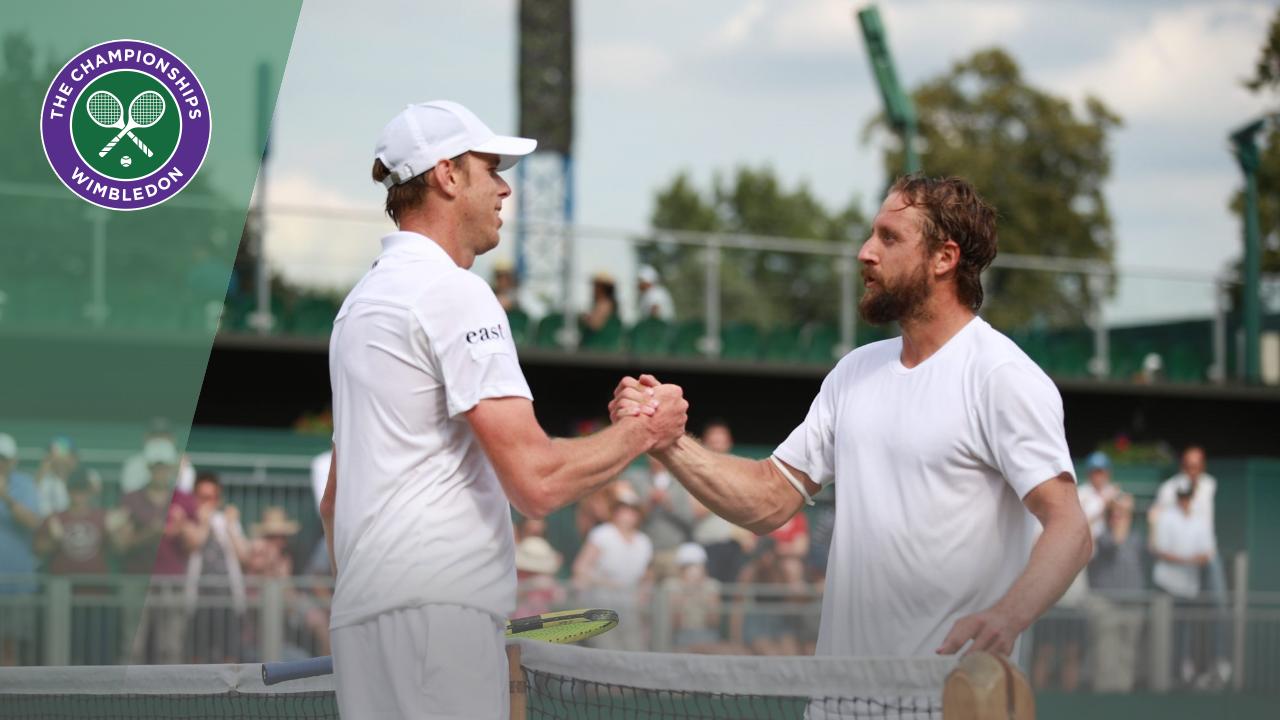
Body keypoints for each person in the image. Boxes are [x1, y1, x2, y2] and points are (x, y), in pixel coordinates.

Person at [611, 175, 1091, 659]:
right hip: (841, 701)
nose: (865, 252)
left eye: (889, 237)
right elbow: (766, 500)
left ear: (944, 258)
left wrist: (1008, 616)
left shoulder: (1001, 376)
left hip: (948, 701)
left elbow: (1070, 529)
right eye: (871, 234)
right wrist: (666, 439)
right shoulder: (853, 373)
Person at [323, 100, 687, 720]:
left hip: (363, 619)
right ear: (446, 175)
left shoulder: (358, 307)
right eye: (489, 168)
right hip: (439, 619)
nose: (504, 187)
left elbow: (336, 501)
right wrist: (645, 429)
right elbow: (536, 482)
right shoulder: (453, 292)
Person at [1149, 445, 1229, 685]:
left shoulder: (1210, 485)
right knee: (1182, 615)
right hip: (1177, 563)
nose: (1193, 470)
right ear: (1182, 466)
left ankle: (1219, 662)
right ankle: (1183, 666)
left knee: (1220, 605)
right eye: (1188, 465)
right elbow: (1158, 519)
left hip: (1206, 556)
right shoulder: (1168, 489)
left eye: (1197, 465)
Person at [34, 467, 127, 664]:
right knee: (61, 654)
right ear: (68, 491)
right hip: (63, 601)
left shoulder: (102, 516)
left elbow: (120, 549)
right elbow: (39, 549)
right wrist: (55, 538)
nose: (79, 495)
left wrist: (111, 531)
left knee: (95, 654)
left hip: (96, 599)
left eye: (83, 490)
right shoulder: (56, 518)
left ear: (91, 492)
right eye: (75, 490)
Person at [119, 437, 197, 664]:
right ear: (149, 467)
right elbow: (121, 544)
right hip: (137, 580)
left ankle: (170, 697)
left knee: (170, 647)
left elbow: (193, 544)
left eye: (165, 466)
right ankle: (127, 697)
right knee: (133, 646)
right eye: (157, 466)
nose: (161, 472)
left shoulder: (185, 500)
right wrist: (151, 532)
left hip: (172, 581)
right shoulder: (131, 498)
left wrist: (181, 529)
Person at [571, 487, 653, 651]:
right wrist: (605, 583)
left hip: (630, 607)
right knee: (606, 650)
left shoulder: (644, 541)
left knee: (634, 650)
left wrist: (643, 595)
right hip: (601, 603)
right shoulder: (602, 534)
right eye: (622, 509)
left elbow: (647, 577)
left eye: (631, 510)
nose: (627, 514)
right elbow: (580, 568)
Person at [1150, 481, 1215, 687]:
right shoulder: (1166, 518)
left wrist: (1187, 560)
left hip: (1190, 588)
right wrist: (1188, 560)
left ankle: (1184, 674)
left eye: (1188, 497)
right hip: (1167, 586)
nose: (1185, 501)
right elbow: (1161, 551)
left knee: (1187, 633)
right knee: (1167, 633)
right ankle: (1164, 677)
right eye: (1182, 497)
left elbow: (1207, 554)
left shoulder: (1199, 522)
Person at [185, 471, 251, 663]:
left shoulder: (228, 521)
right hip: (199, 599)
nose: (208, 502)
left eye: (213, 497)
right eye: (203, 497)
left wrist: (230, 527)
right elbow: (194, 544)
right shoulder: (191, 522)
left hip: (228, 598)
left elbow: (244, 556)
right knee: (197, 654)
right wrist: (204, 523)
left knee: (229, 654)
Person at [1086, 493, 1147, 692]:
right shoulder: (1103, 537)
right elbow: (1115, 542)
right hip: (1107, 604)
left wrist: (1127, 510)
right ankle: (1105, 702)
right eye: (1114, 514)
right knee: (1106, 655)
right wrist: (1117, 509)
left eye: (1121, 514)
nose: (1117, 517)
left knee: (1128, 655)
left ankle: (1123, 699)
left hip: (1132, 604)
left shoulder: (1137, 537)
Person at [0, 433, 40, 665]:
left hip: (17, 583)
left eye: (3, 459)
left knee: (10, 649)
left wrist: (5, 496)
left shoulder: (25, 484)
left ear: (13, 460)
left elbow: (34, 522)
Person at [1078, 451, 1118, 541]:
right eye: (1095, 472)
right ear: (1089, 473)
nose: (1098, 476)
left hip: (1110, 541)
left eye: (1101, 472)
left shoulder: (1113, 491)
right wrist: (1103, 502)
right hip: (1087, 541)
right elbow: (1082, 524)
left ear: (1108, 473)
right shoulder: (1081, 493)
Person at [579, 271, 619, 339]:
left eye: (596, 286)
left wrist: (585, 319)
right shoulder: (602, 304)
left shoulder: (605, 304)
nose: (594, 289)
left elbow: (595, 325)